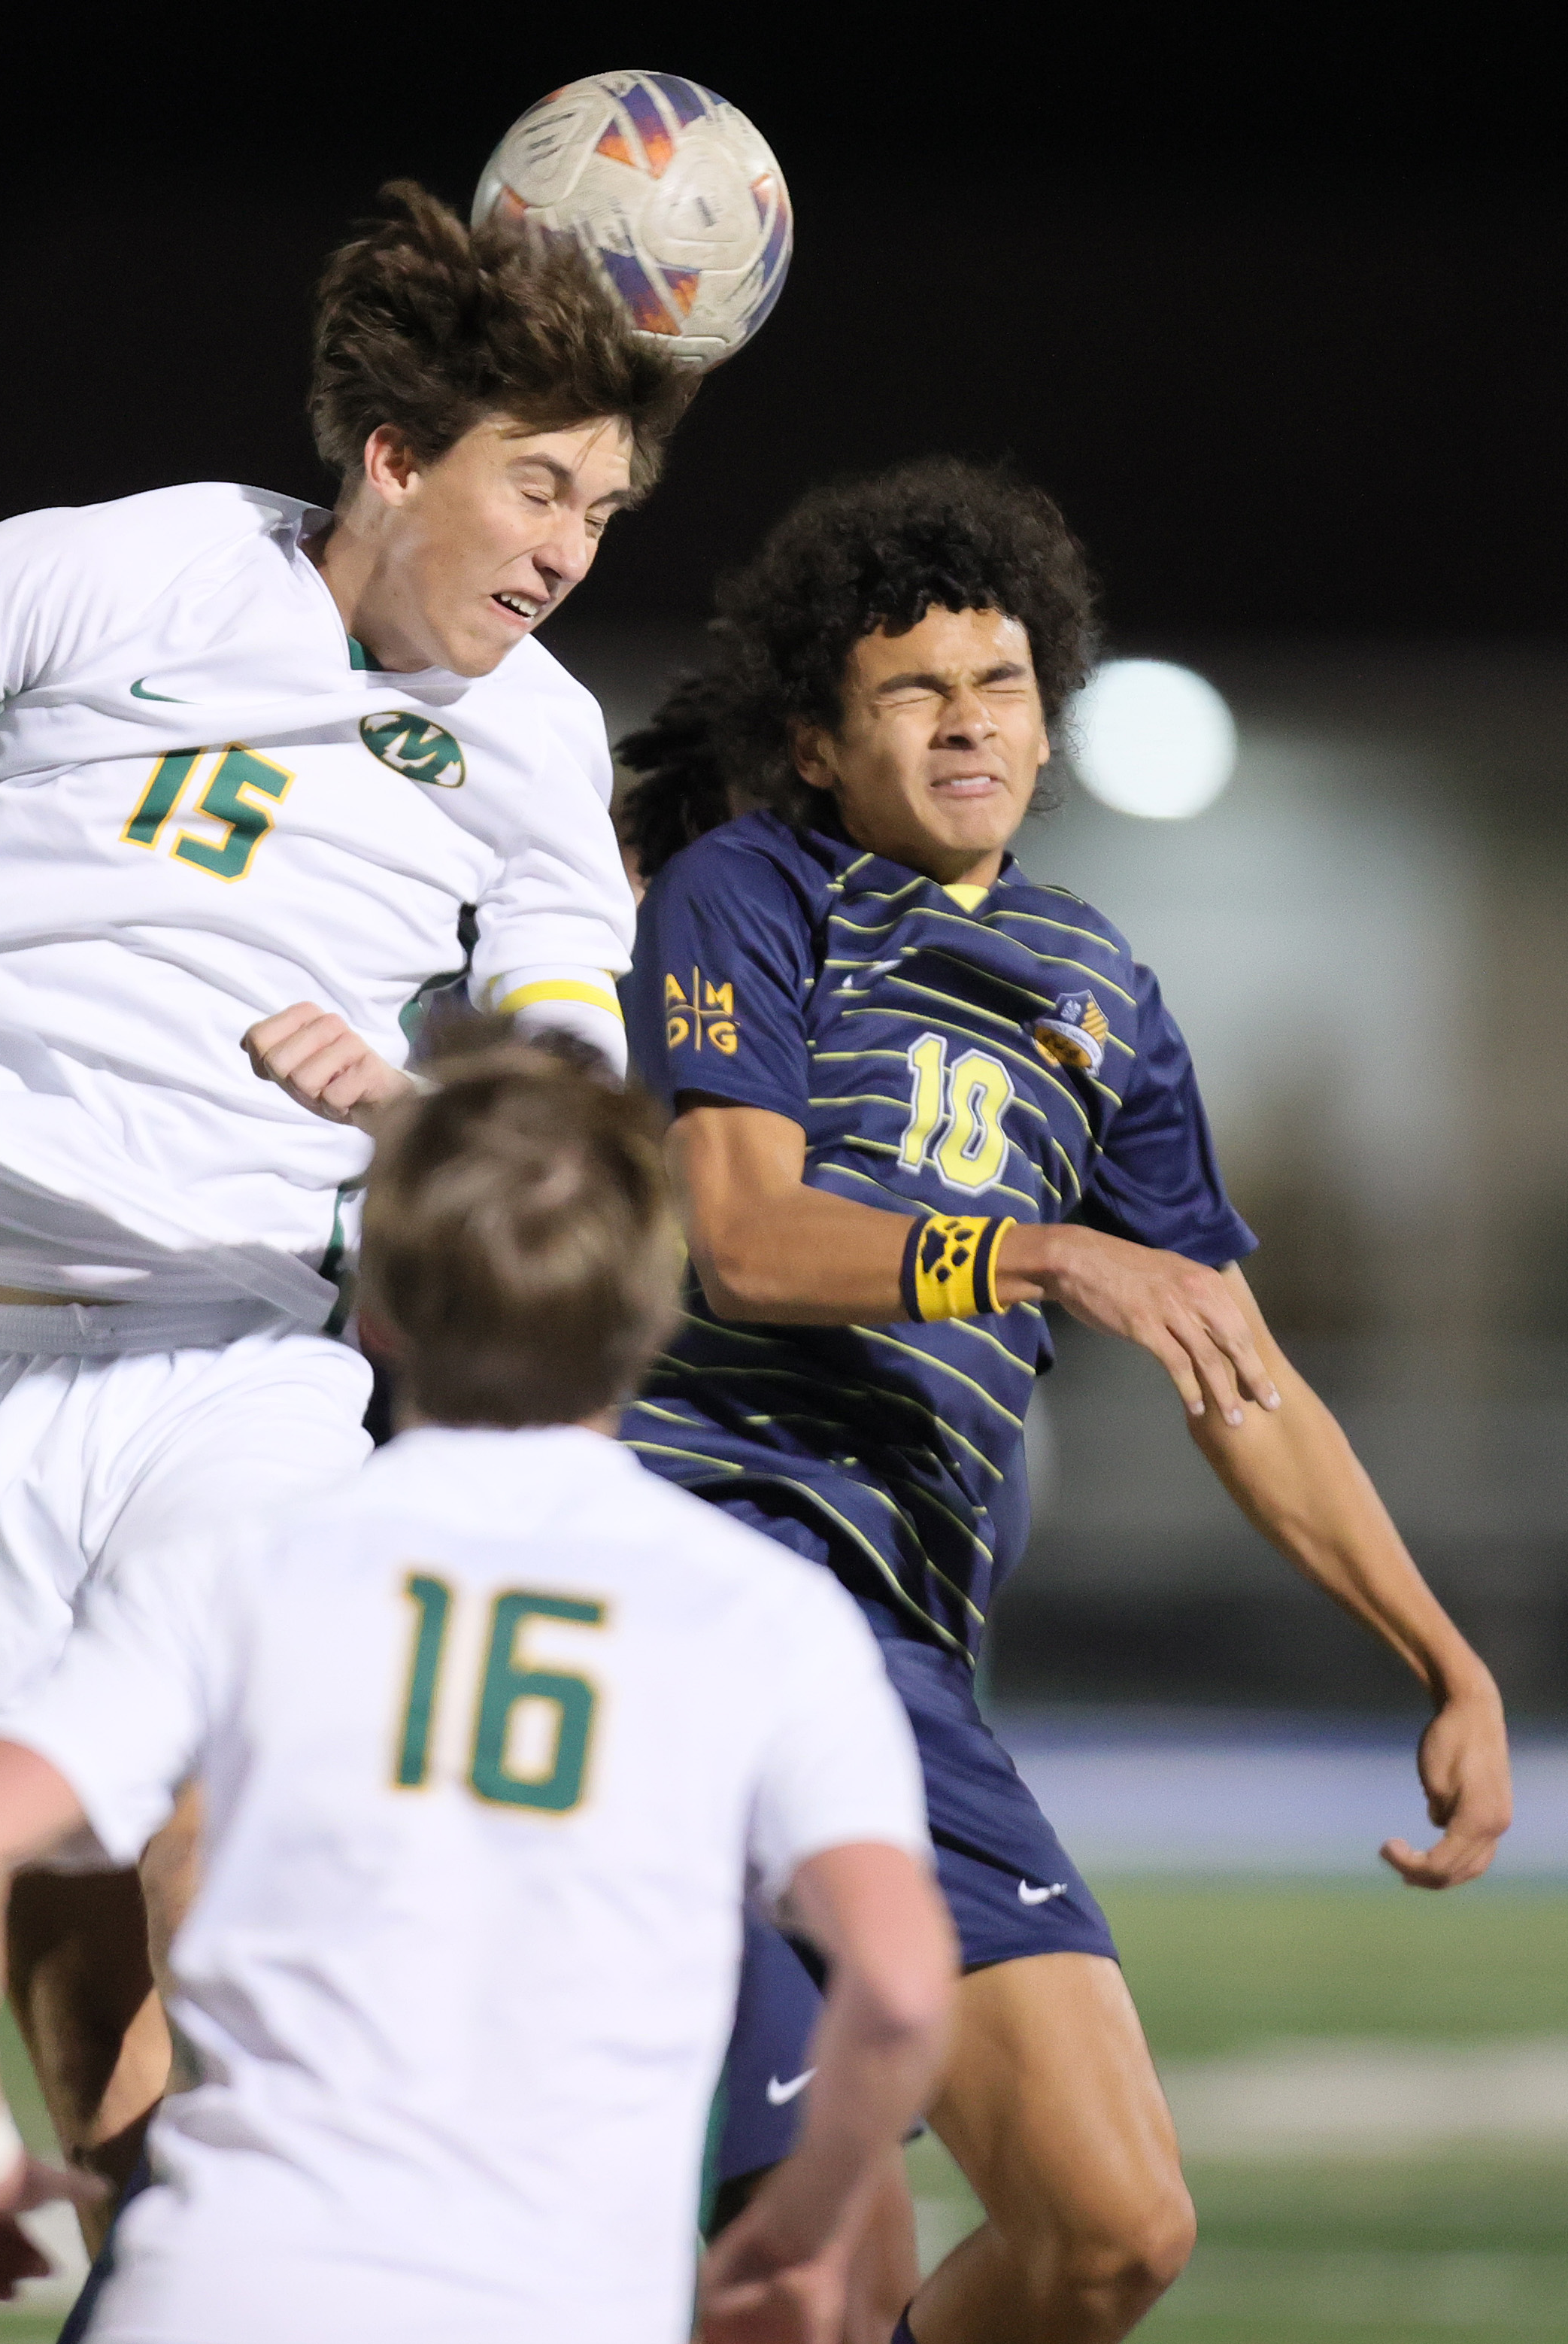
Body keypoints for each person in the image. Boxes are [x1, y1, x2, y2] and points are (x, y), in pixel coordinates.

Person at [0, 184, 693, 2233]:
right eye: (538, 487)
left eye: (599, 511)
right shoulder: (133, 564)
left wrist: (436, 1097)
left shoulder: (532, 743)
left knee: (218, 1885)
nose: (564, 550)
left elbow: (571, 1087)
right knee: (100, 2053)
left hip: (240, 1360)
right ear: (394, 456)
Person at [614, 459, 1515, 2344]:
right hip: (704, 1574)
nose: (967, 722)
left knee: (1110, 2230)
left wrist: (1441, 1654)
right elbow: (754, 1247)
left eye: (1001, 683)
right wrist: (1031, 1255)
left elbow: (1236, 1367)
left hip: (906, 1656)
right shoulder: (750, 888)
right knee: (780, 2261)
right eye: (912, 690)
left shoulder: (1105, 987)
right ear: (815, 738)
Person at [0, 1041, 957, 2344]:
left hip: (223, 2291)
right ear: (655, 1307)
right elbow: (898, 1985)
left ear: (375, 1307)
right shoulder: (763, 1614)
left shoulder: (242, 1570)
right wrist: (804, 2223)